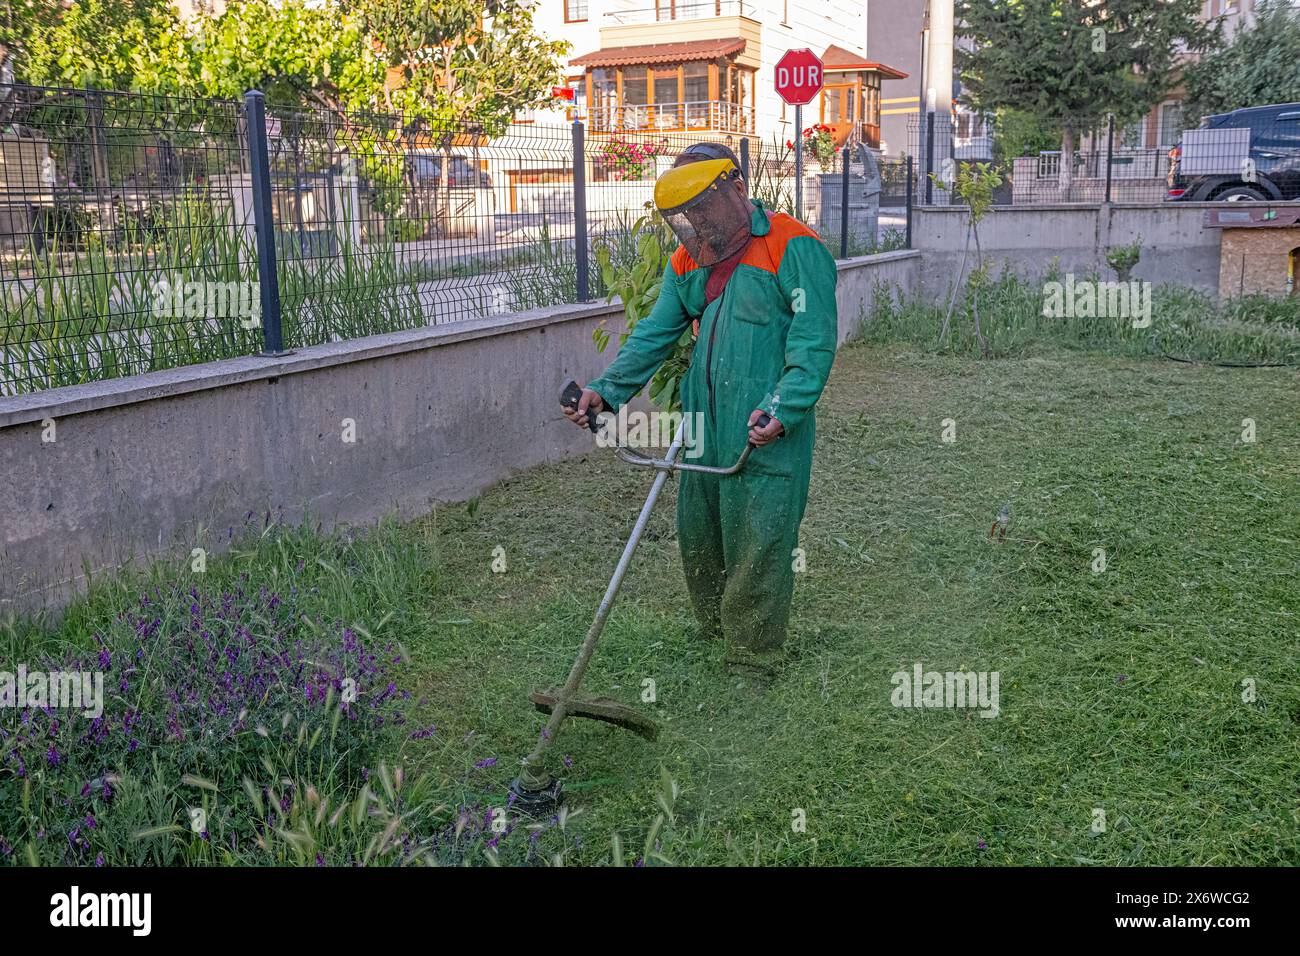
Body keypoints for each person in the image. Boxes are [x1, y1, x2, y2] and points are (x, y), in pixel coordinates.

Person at [562, 142, 838, 669]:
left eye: (704, 208)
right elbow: (654, 334)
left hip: (765, 424)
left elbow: (813, 342)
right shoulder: (689, 260)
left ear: (737, 190)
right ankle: (715, 637)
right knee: (701, 538)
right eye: (687, 213)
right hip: (702, 427)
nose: (696, 222)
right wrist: (608, 390)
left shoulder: (793, 247)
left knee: (760, 541)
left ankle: (752, 661)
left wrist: (783, 407)